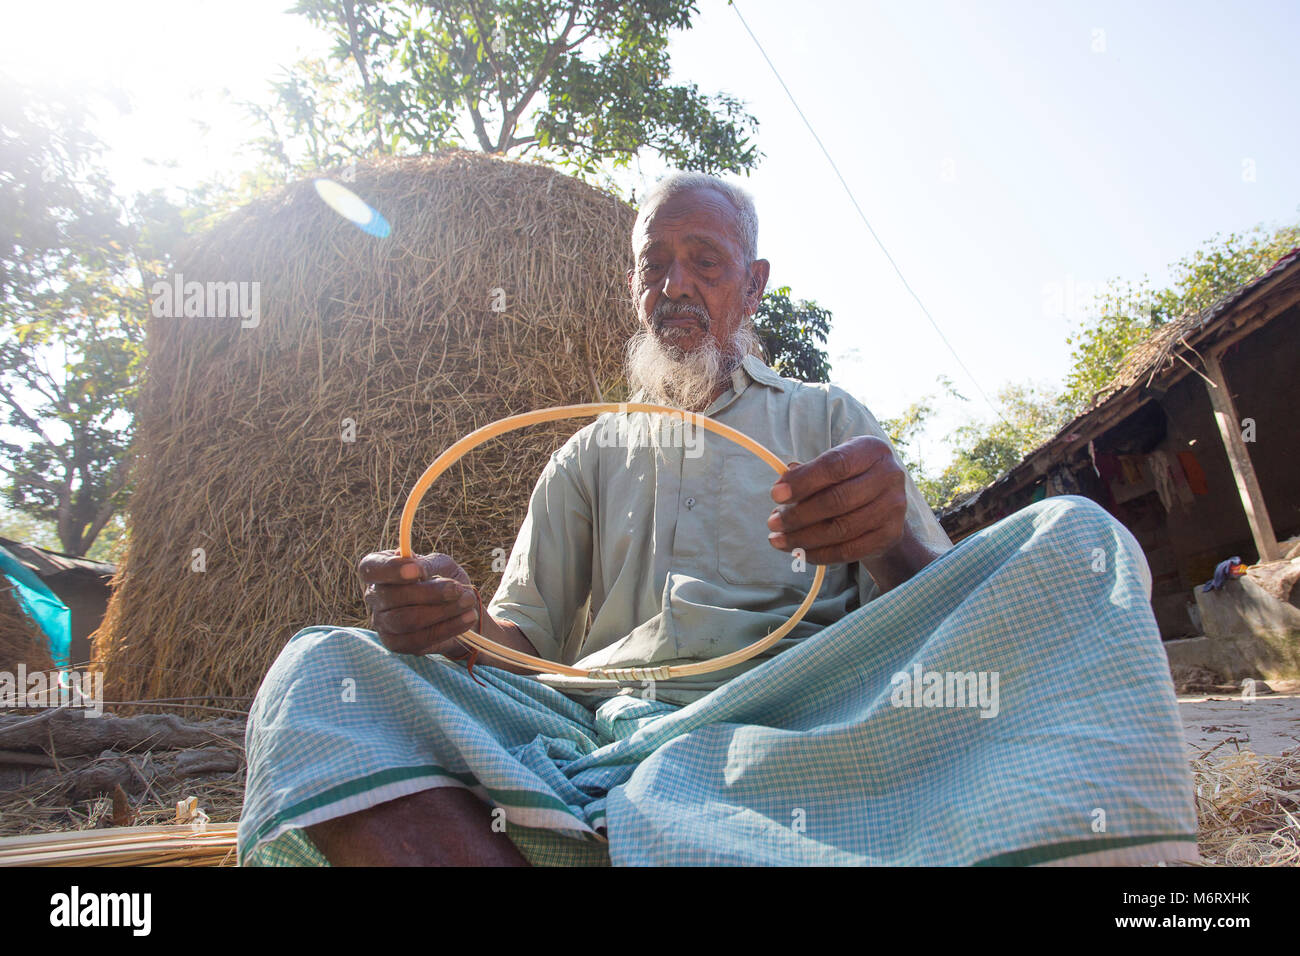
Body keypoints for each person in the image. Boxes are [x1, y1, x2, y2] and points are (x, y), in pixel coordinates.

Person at [238, 173, 1197, 866]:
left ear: (754, 283)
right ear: (632, 288)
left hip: (809, 712)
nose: (675, 284)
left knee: (1079, 539)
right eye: (654, 264)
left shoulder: (824, 420)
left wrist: (888, 536)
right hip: (593, 723)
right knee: (321, 668)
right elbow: (519, 641)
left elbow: (934, 609)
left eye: (705, 261)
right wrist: (449, 623)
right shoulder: (586, 453)